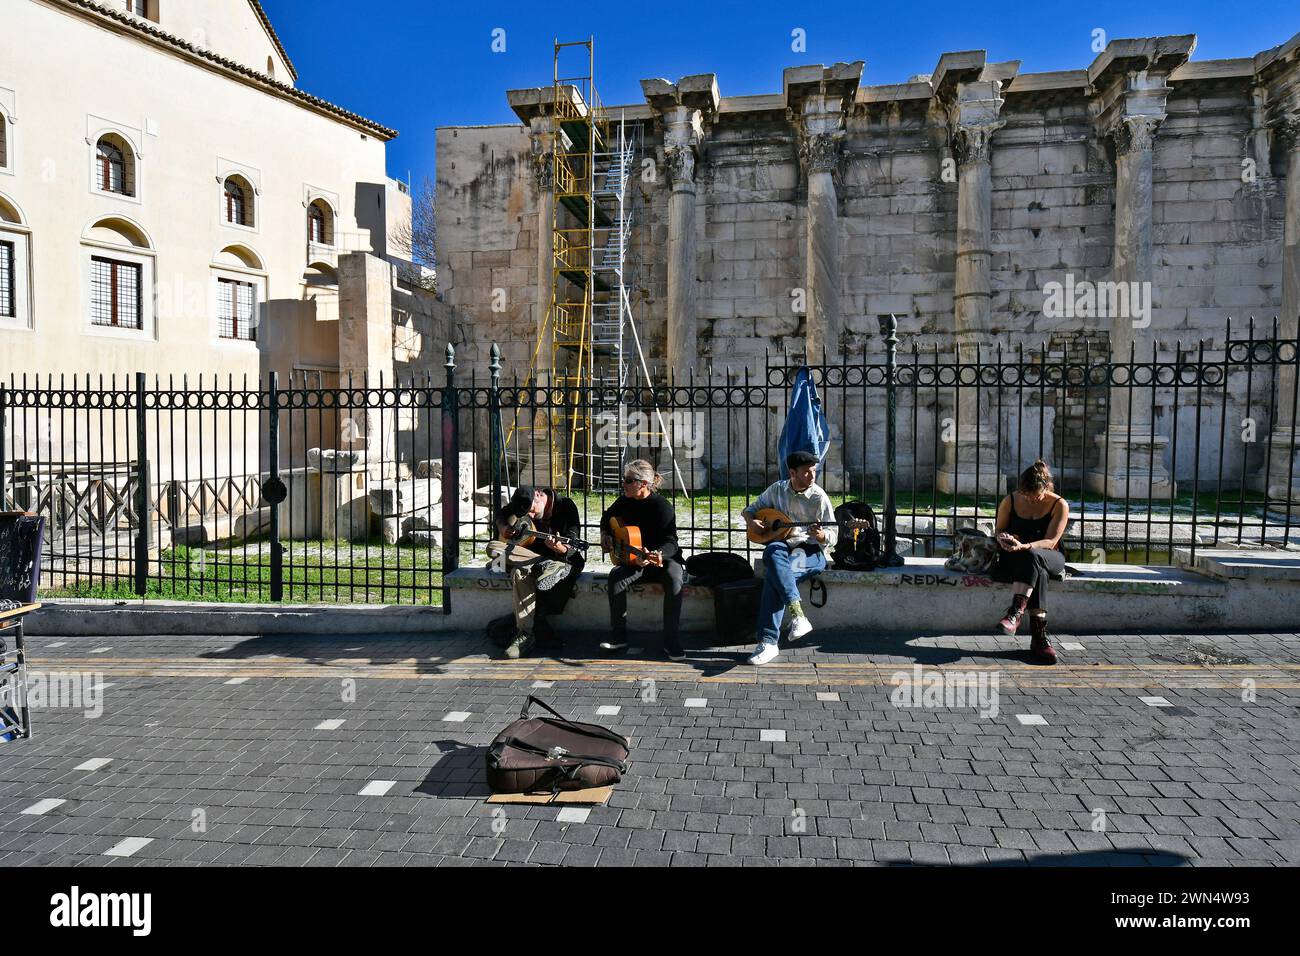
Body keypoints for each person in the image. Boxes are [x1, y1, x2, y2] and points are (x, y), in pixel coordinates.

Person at [741, 450, 838, 666]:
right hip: (783, 545)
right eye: (806, 472)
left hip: (810, 550)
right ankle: (797, 618)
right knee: (773, 551)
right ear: (792, 473)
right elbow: (750, 510)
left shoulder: (818, 497)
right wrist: (751, 521)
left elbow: (833, 537)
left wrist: (821, 535)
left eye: (814, 471)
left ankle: (768, 642)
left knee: (775, 577)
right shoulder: (777, 490)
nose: (812, 476)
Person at [598, 459, 686, 661]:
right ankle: (619, 635)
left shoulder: (662, 507)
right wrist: (606, 535)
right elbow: (606, 517)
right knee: (616, 578)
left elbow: (672, 542)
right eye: (624, 479)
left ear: (644, 484)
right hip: (633, 560)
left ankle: (671, 639)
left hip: (659, 560)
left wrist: (659, 554)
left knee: (674, 578)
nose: (624, 484)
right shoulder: (624, 501)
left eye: (629, 480)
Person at [485, 484, 585, 660]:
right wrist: (502, 527)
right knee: (493, 547)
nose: (528, 517)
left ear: (538, 495)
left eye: (531, 511)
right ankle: (545, 565)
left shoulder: (566, 506)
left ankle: (525, 634)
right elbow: (503, 513)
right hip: (534, 560)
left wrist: (561, 548)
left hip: (562, 562)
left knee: (515, 571)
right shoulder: (523, 500)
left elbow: (573, 543)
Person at [991, 460, 1070, 664]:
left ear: (1045, 487)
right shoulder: (1010, 500)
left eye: (1035, 495)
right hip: (1017, 557)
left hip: (1049, 555)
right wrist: (1002, 537)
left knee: (1034, 556)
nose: (1030, 499)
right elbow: (998, 529)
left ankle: (1016, 612)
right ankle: (1040, 639)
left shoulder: (1059, 504)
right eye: (1026, 494)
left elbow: (1051, 542)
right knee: (1038, 571)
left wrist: (1024, 546)